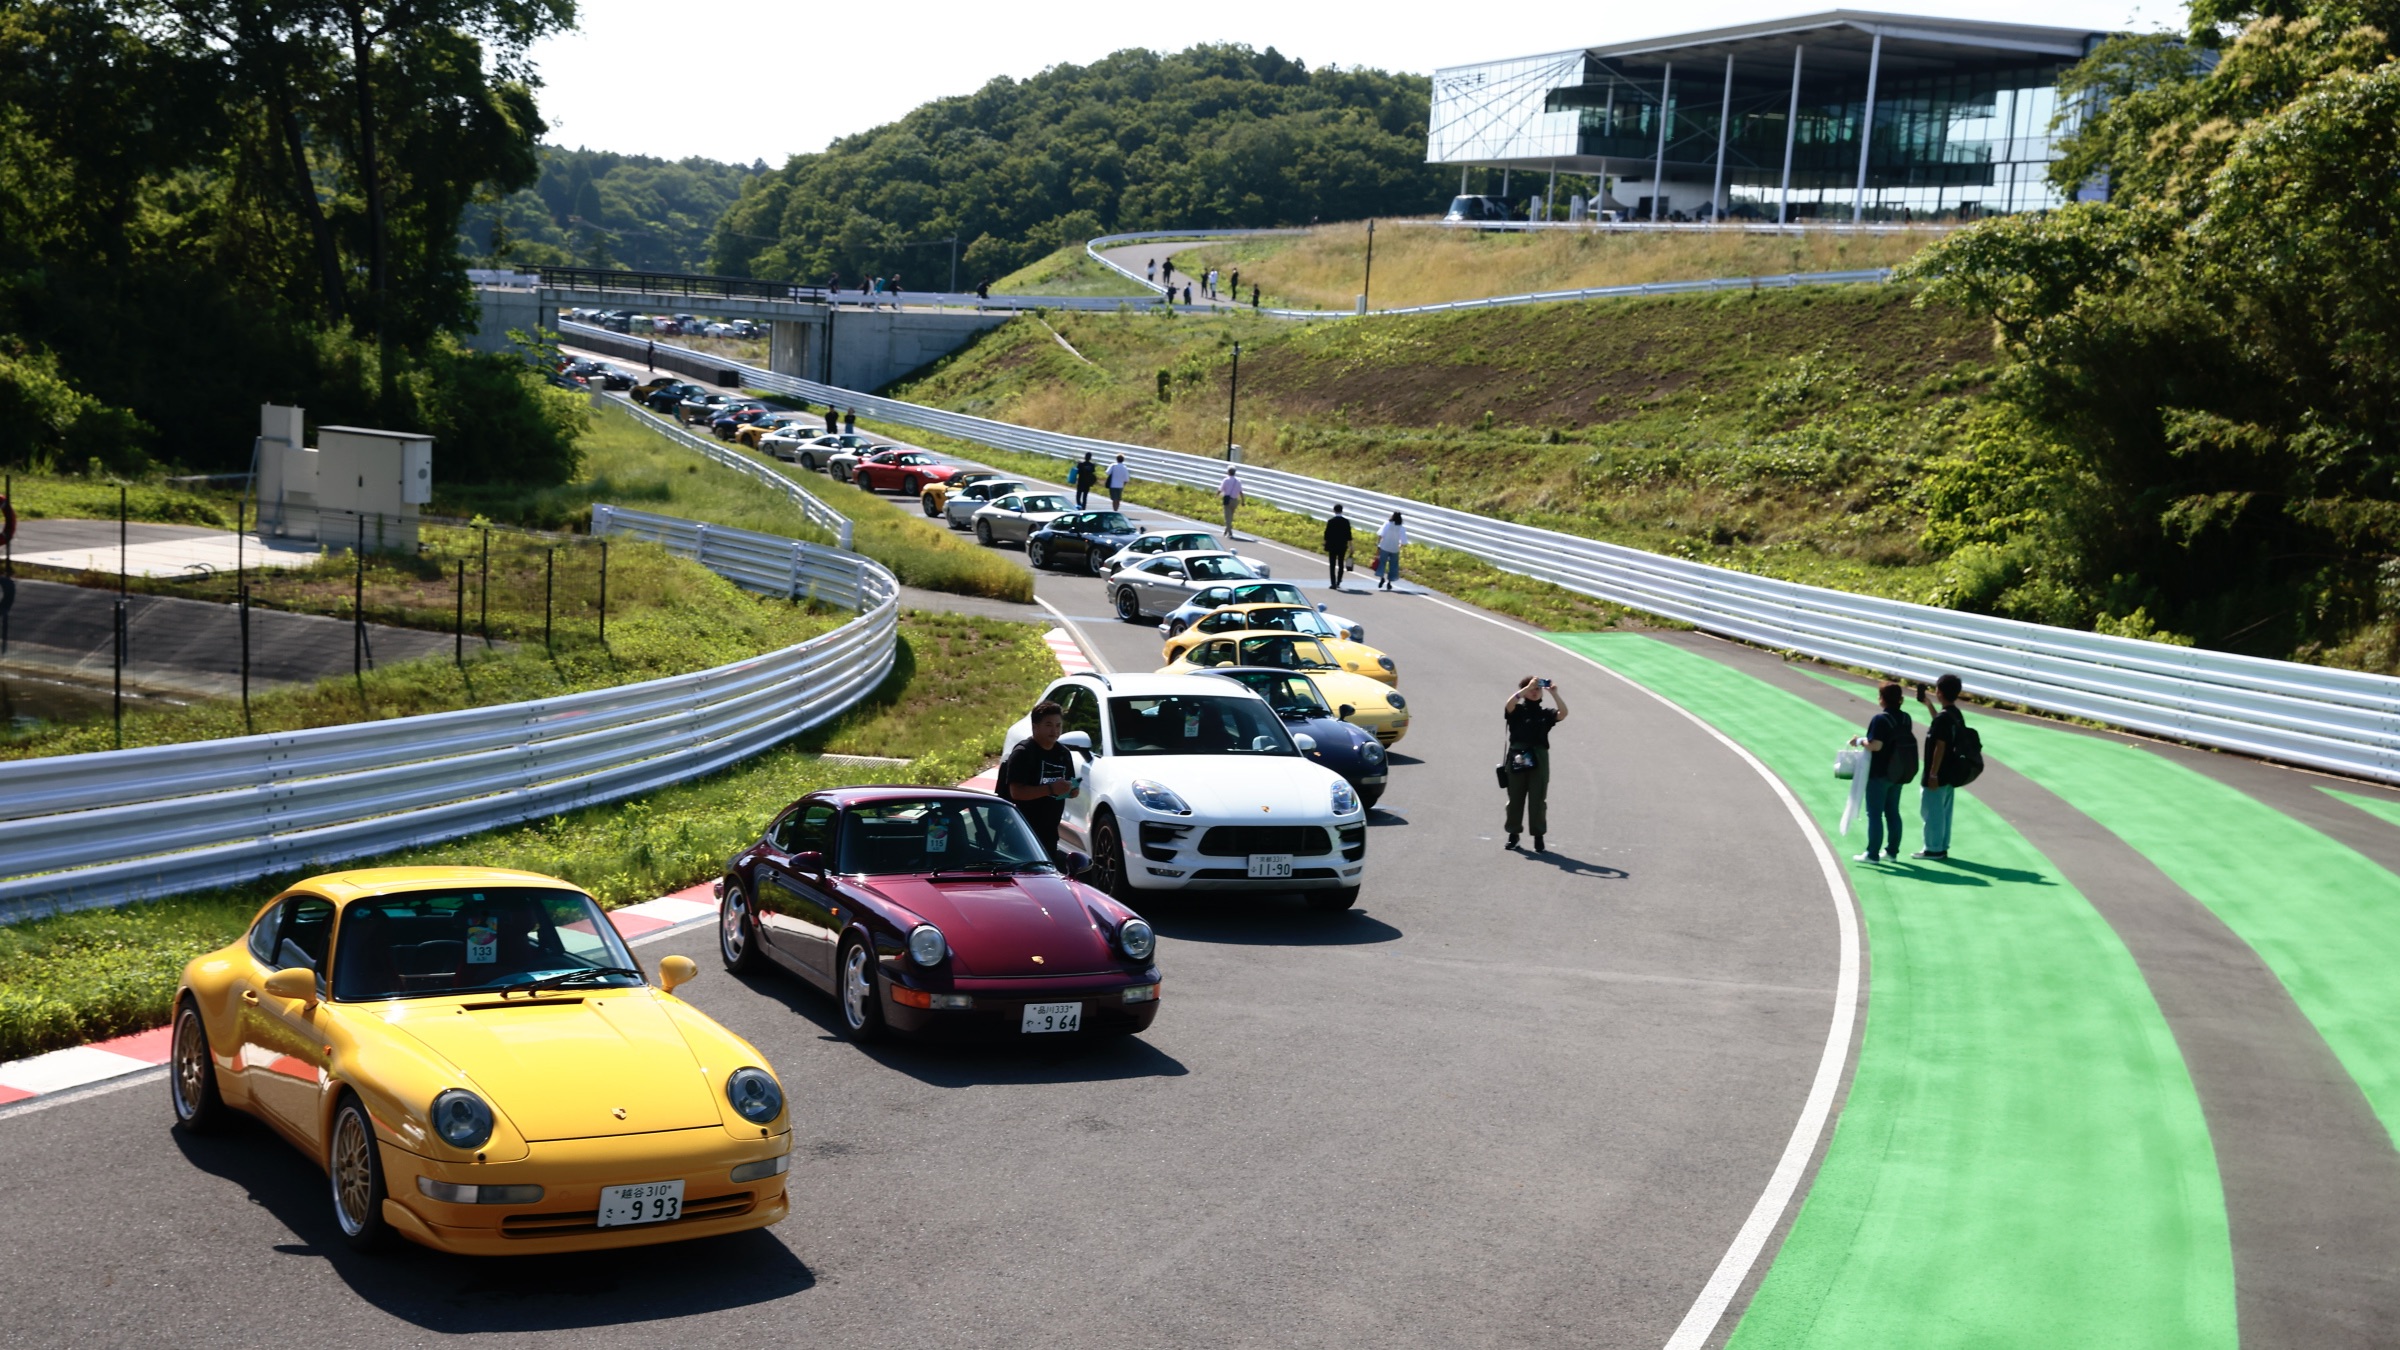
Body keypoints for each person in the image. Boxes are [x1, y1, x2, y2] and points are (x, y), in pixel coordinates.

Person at [1003, 700, 1079, 859]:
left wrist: (1072, 790)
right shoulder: (1023, 753)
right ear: (1035, 727)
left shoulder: (1063, 754)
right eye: (1049, 725)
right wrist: (1050, 789)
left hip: (1050, 833)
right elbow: (1016, 793)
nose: (1055, 730)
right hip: (1021, 832)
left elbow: (1069, 787)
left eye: (1058, 725)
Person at [1849, 683, 1916, 863]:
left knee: (1875, 814)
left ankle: (1872, 854)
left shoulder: (1880, 719)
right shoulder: (1906, 718)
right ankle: (1892, 852)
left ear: (1882, 699)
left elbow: (1875, 745)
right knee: (1893, 812)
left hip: (1880, 773)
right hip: (1899, 772)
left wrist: (1860, 741)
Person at [1502, 677, 1569, 851]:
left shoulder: (1545, 714)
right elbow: (1508, 705)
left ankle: (1538, 836)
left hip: (1539, 757)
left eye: (1537, 690)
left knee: (1538, 799)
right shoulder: (1517, 710)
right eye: (1531, 689)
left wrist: (1554, 694)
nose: (1534, 692)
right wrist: (1526, 688)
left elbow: (1563, 713)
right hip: (1518, 755)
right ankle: (1513, 834)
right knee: (1515, 797)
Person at [1917, 673, 1964, 859]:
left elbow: (1940, 745)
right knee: (1944, 812)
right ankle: (1941, 846)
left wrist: (1933, 774)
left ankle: (1932, 848)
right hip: (1951, 772)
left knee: (1931, 812)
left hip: (1939, 773)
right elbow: (1941, 724)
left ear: (1940, 692)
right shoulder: (1954, 714)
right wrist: (1929, 705)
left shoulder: (1943, 719)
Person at [1323, 504, 1353, 588]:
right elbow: (1349, 535)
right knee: (1341, 563)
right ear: (1342, 511)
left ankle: (1333, 583)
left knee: (1332, 564)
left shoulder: (1331, 521)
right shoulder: (1346, 521)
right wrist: (1351, 546)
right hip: (1342, 545)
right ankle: (1339, 581)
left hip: (1332, 545)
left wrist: (1325, 543)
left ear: (1334, 510)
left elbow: (1327, 534)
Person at [1375, 511, 1407, 590]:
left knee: (1382, 563)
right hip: (1394, 549)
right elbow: (1403, 541)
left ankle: (1382, 578)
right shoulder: (1401, 528)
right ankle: (1390, 582)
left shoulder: (1387, 524)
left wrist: (1378, 544)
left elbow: (1381, 534)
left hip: (1385, 546)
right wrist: (1399, 546)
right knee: (1393, 566)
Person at [1218, 466, 1245, 539]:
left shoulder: (1226, 480)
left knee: (1227, 517)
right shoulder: (1238, 481)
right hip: (1235, 500)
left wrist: (1216, 495)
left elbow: (1221, 489)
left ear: (1228, 472)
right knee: (1231, 516)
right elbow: (1241, 492)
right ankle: (1226, 531)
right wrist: (1243, 501)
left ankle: (1230, 533)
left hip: (1227, 499)